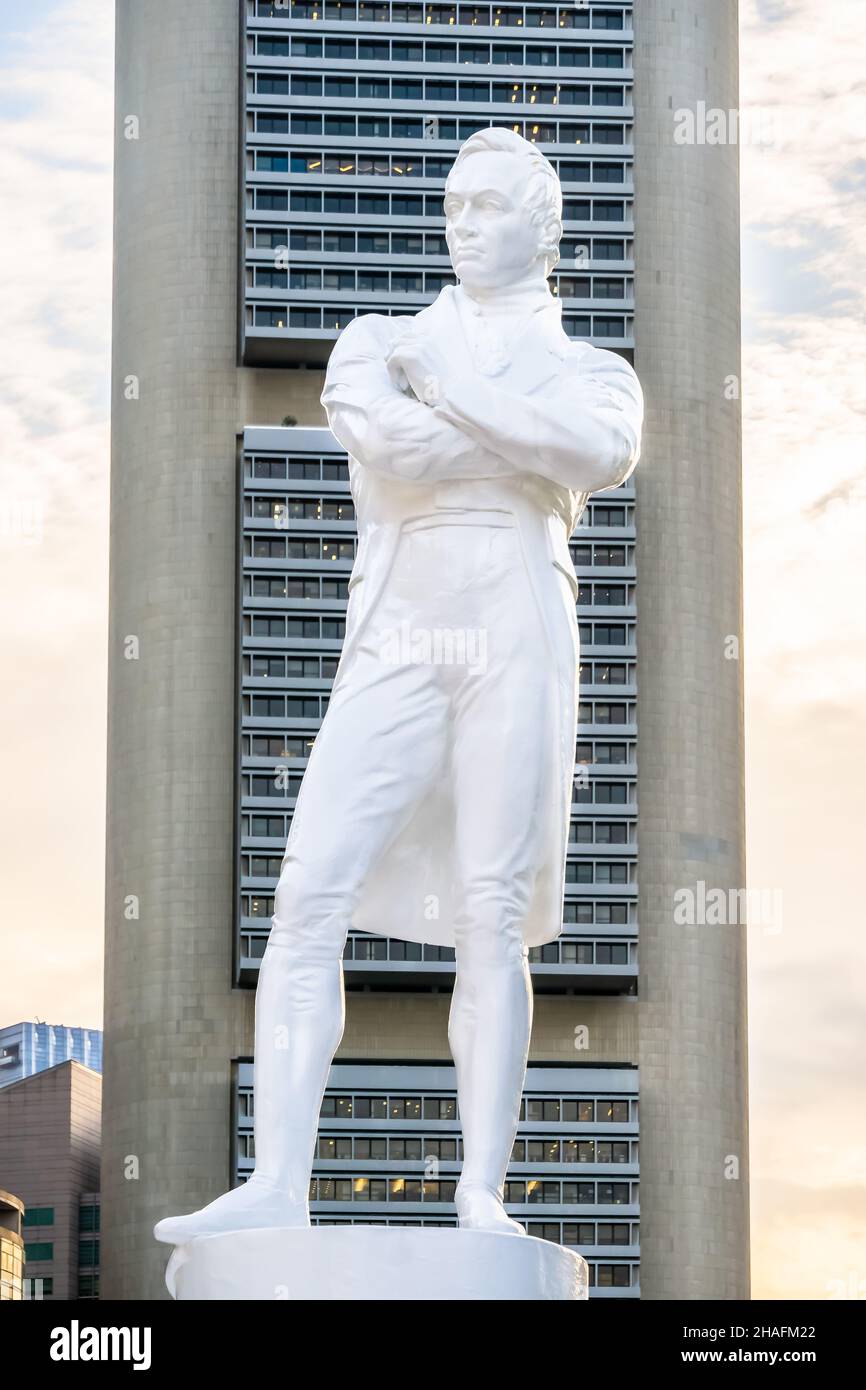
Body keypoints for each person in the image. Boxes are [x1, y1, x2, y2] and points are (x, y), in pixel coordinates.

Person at [155, 127, 643, 1248]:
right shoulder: (379, 339)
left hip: (516, 619)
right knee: (307, 889)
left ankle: (481, 1189)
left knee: (492, 911)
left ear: (544, 226)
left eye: (485, 207)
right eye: (451, 205)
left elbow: (591, 453)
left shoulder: (594, 369)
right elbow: (389, 446)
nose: (459, 224)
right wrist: (508, 440)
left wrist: (457, 396)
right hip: (402, 625)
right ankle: (278, 1179)